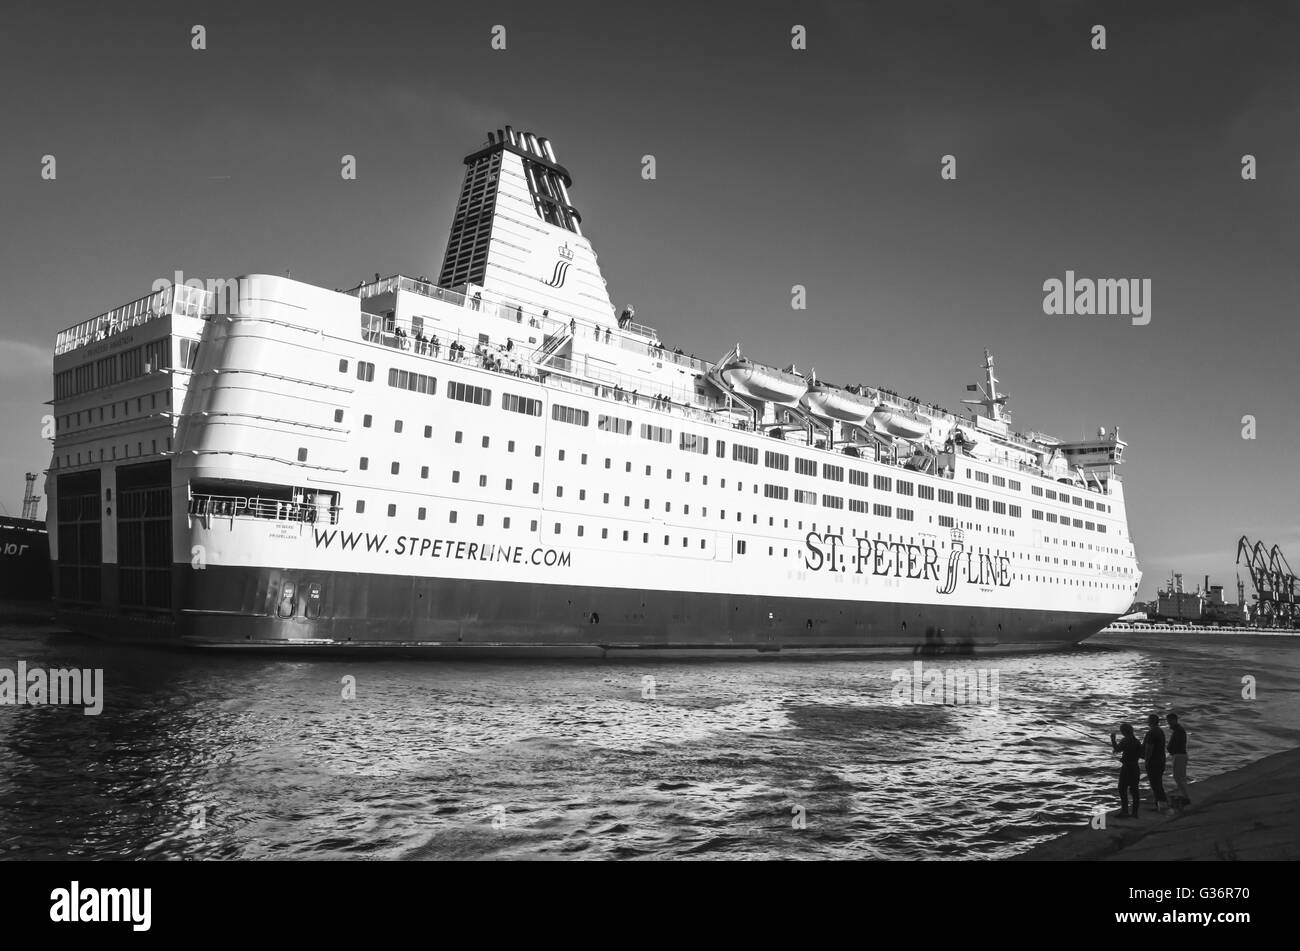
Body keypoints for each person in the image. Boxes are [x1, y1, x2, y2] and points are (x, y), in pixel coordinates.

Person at [1110, 723, 1142, 817]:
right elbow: (1140, 754)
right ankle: (1135, 813)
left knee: (1122, 789)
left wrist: (1113, 739)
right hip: (1135, 768)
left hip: (1127, 768)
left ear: (1124, 732)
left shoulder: (1125, 740)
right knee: (1134, 790)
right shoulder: (1137, 741)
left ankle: (1125, 811)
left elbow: (1117, 749)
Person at [1142, 713, 1168, 813]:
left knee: (1155, 785)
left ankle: (1162, 807)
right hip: (1161, 761)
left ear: (1151, 721)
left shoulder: (1151, 733)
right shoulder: (1160, 731)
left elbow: (1149, 748)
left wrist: (1147, 761)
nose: (1147, 721)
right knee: (1158, 784)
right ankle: (1160, 805)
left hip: (1154, 763)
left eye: (1148, 720)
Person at [1168, 713, 1191, 805]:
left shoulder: (1178, 731)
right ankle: (1185, 796)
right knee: (1180, 777)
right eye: (1168, 721)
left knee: (1178, 777)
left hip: (1179, 756)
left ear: (1174, 720)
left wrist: (1170, 749)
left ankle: (1186, 797)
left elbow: (1176, 745)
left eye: (1170, 721)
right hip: (1179, 755)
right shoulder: (1178, 730)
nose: (1169, 723)